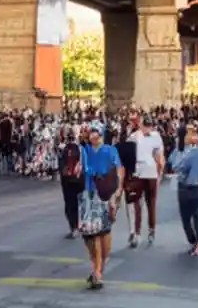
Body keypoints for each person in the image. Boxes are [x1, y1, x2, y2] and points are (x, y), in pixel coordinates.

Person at [79, 124, 124, 291]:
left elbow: (118, 172)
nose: (93, 136)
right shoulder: (85, 150)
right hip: (89, 194)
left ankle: (98, 270)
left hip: (105, 195)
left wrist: (116, 196)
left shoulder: (110, 150)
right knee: (91, 235)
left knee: (103, 234)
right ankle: (97, 270)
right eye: (90, 133)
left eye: (95, 133)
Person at [172, 129, 198, 257]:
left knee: (186, 218)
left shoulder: (185, 152)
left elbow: (177, 167)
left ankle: (194, 241)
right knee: (197, 215)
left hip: (185, 187)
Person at [126, 116, 165, 248]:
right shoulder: (134, 137)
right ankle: (137, 233)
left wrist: (160, 173)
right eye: (145, 126)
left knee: (151, 203)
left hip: (151, 173)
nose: (147, 128)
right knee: (137, 204)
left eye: (150, 126)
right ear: (141, 125)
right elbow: (128, 153)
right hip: (138, 172)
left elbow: (160, 155)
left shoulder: (156, 136)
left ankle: (151, 229)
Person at [57, 125, 85, 239]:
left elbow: (60, 165)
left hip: (67, 180)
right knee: (82, 203)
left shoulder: (62, 149)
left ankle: (74, 227)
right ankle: (82, 225)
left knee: (70, 204)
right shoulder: (81, 148)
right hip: (79, 179)